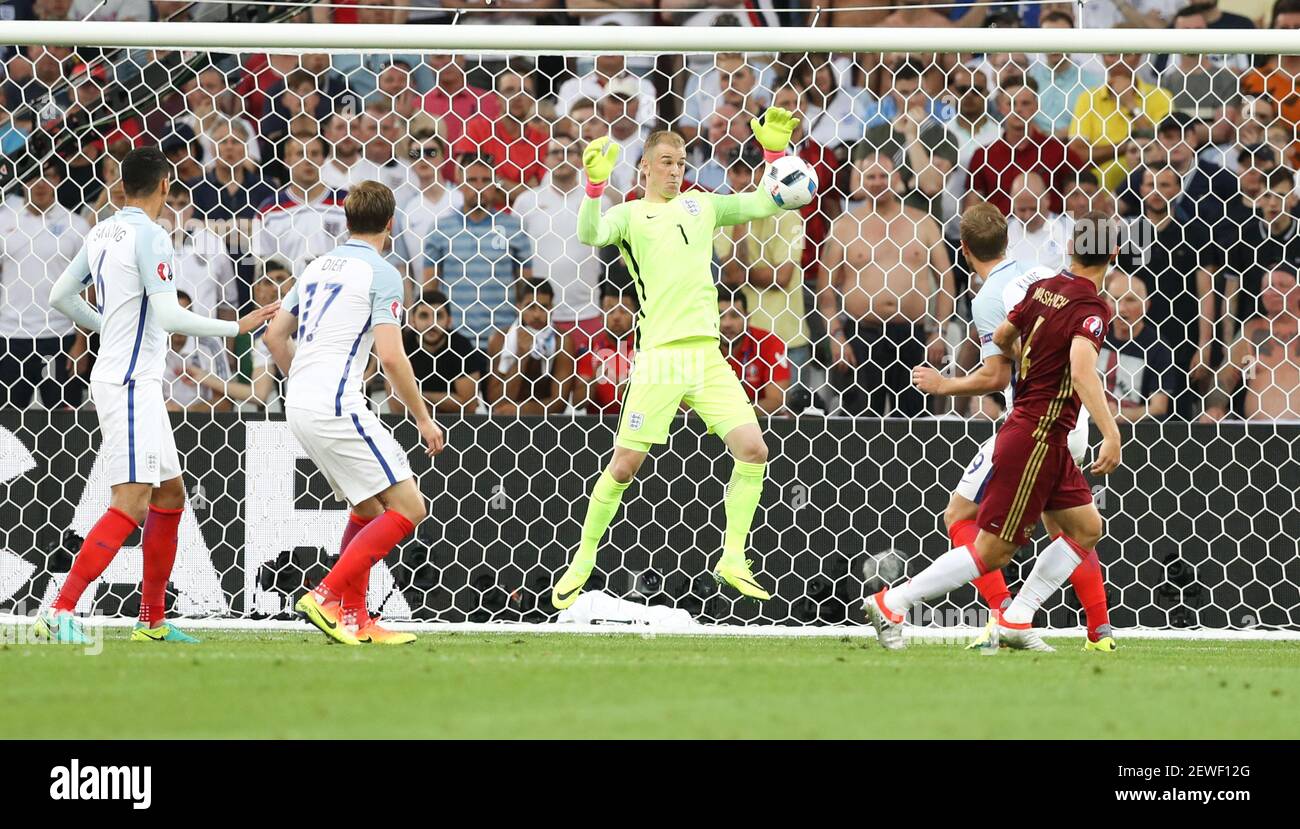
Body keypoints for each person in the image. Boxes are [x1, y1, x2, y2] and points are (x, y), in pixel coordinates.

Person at [551, 106, 802, 609]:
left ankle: (732, 558)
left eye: (682, 162)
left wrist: (776, 153)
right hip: (661, 358)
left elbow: (764, 203)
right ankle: (582, 559)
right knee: (624, 466)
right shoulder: (628, 215)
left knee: (754, 449)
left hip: (708, 356)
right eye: (666, 161)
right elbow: (589, 234)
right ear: (645, 166)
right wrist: (594, 186)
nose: (675, 170)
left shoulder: (701, 206)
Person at [41, 146, 278, 644]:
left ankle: (151, 621)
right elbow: (170, 319)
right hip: (130, 382)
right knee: (130, 503)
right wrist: (236, 325)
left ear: (122, 185)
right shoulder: (152, 236)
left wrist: (109, 325)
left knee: (169, 496)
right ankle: (59, 609)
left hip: (125, 377)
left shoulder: (102, 230)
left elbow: (60, 296)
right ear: (166, 186)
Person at [868, 211, 1124, 652]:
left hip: (1047, 432)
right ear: (1115, 253)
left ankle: (1018, 617)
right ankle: (894, 601)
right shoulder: (1091, 309)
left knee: (1084, 529)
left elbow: (1005, 336)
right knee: (992, 551)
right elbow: (1083, 374)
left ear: (1069, 249)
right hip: (1038, 434)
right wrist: (1112, 432)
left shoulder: (1044, 290)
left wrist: (1032, 360)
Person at [263, 180, 446, 646]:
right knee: (409, 507)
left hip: (299, 401)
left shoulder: (316, 266)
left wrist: (300, 380)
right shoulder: (382, 273)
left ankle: (356, 619)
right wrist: (423, 418)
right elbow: (390, 356)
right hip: (336, 403)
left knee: (366, 507)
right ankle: (325, 595)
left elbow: (274, 338)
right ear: (391, 223)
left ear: (346, 220)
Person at [820, 151, 954, 417]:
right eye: (870, 176)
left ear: (896, 179)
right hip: (861, 334)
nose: (877, 182)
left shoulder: (921, 222)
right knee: (860, 424)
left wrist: (939, 331)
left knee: (915, 422)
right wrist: (836, 336)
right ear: (860, 180)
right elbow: (825, 292)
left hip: (911, 334)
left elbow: (946, 281)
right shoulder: (845, 225)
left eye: (884, 175)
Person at [0, 158, 92, 410]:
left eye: (49, 175)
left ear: (59, 180)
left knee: (65, 421)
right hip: (10, 337)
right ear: (21, 180)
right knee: (6, 423)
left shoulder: (77, 225)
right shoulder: (4, 219)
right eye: (32, 176)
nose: (40, 183)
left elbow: (87, 289)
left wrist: (81, 341)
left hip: (60, 338)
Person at [1206, 268, 1300, 421]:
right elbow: (1224, 378)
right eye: (1267, 287)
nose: (1273, 291)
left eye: (1282, 285)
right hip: (1257, 434)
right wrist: (1215, 407)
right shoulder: (1251, 332)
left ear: (1298, 292)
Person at [486, 278, 574, 416]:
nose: (537, 314)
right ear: (518, 307)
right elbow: (496, 401)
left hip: (546, 425)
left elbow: (560, 402)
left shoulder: (562, 341)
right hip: (504, 424)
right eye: (530, 307)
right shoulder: (499, 338)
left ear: (552, 309)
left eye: (543, 307)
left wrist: (521, 410)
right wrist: (522, 356)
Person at [1098, 270, 1175, 422]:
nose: (1121, 309)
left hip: (1134, 433)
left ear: (1146, 305)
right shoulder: (1096, 333)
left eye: (1130, 300)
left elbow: (1159, 407)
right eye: (1115, 299)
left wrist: (1119, 415)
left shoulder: (1158, 347)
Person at [401, 290, 486, 414]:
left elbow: (468, 406)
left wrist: (418, 396)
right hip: (410, 425)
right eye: (424, 316)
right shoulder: (402, 345)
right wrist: (446, 401)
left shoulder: (462, 347)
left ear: (449, 321)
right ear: (413, 319)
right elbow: (397, 405)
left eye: (438, 316)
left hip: (456, 425)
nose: (431, 323)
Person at [718, 288, 790, 416]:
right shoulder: (699, 345)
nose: (726, 323)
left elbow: (776, 401)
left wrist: (729, 416)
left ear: (748, 317)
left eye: (734, 316)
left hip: (758, 426)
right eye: (720, 315)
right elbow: (682, 401)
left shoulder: (770, 342)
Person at [573, 283, 637, 416]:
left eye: (624, 310)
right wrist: (596, 378)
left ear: (636, 315)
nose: (616, 317)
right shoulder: (589, 347)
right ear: (601, 315)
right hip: (598, 427)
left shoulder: (646, 348)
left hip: (636, 423)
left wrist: (636, 387)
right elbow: (577, 403)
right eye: (610, 310)